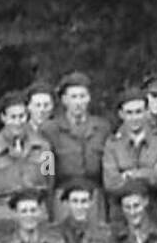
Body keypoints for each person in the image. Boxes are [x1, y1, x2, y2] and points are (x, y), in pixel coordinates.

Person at [0, 89, 55, 240]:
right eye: (13, 117)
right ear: (3, 118)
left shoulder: (44, 147)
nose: (18, 122)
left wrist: (48, 215)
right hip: (3, 216)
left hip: (36, 214)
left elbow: (49, 184)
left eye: (22, 116)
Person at [45, 71, 112, 223]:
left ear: (89, 98)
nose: (78, 102)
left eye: (82, 96)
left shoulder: (102, 128)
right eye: (73, 97)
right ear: (64, 100)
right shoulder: (49, 130)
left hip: (94, 195)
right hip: (63, 195)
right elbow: (46, 170)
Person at [102, 86, 157, 223]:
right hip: (122, 212)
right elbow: (111, 183)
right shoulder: (112, 144)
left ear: (146, 112)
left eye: (138, 112)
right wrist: (150, 173)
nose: (134, 118)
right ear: (121, 114)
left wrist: (131, 174)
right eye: (129, 113)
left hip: (156, 210)